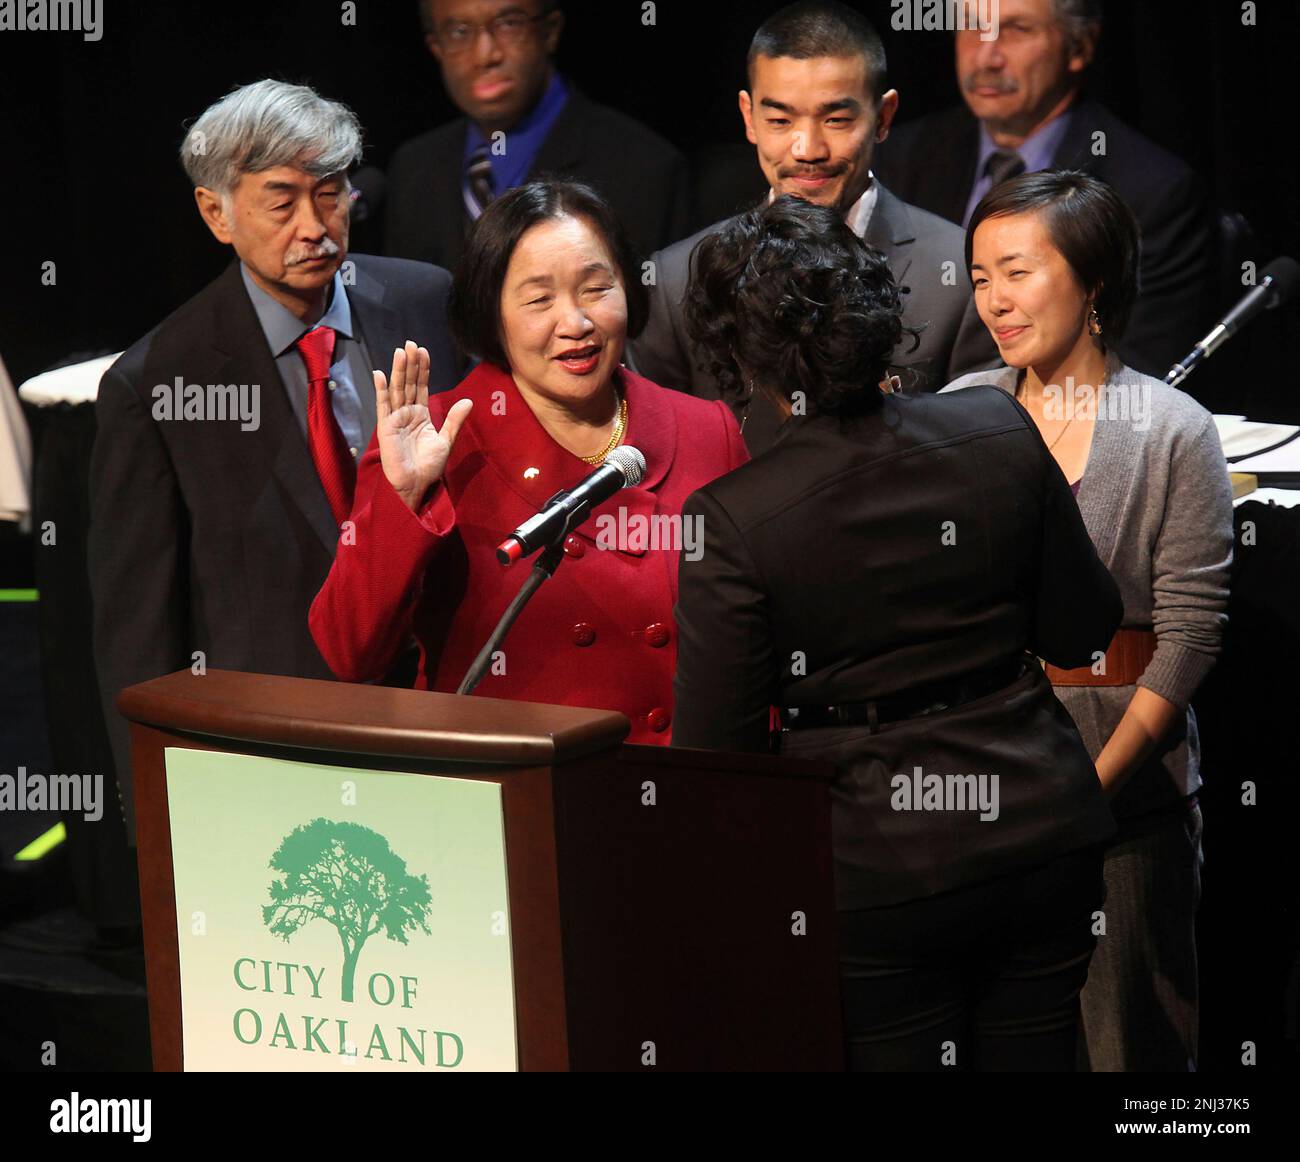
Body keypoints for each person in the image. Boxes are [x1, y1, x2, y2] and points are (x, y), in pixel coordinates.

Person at [670, 195, 1123, 1071]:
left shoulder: (729, 519)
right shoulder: (995, 426)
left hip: (875, 876)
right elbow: (1084, 630)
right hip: (1041, 835)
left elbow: (714, 759)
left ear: (738, 352)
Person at [89, 80, 461, 841]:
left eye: (331, 195)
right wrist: (159, 813)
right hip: (269, 755)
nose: (315, 227)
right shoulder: (157, 382)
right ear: (215, 213)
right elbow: (138, 630)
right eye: (281, 201)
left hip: (442, 715)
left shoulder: (426, 303)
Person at [943, 170, 1234, 1071]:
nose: (995, 300)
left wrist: (1086, 793)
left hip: (1122, 787)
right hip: (980, 782)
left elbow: (1189, 638)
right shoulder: (957, 414)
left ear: (1094, 281)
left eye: (1019, 272)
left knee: (1129, 1047)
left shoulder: (1171, 429)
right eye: (982, 276)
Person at [311, 179, 747, 741]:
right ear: (491, 314)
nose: (575, 324)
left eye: (596, 288)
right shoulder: (438, 438)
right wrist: (404, 500)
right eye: (539, 299)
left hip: (683, 790)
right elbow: (351, 654)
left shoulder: (704, 429)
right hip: (519, 798)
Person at [630, 0, 998, 455]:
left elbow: (981, 462)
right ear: (748, 118)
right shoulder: (672, 281)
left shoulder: (960, 273)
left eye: (836, 120)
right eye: (780, 120)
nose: (807, 149)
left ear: (882, 117)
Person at [873, 0, 1213, 378]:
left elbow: (1136, 371)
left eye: (1017, 29)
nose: (986, 57)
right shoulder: (899, 157)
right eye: (972, 26)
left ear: (1079, 47)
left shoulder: (1150, 189)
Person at [384, 0, 691, 272]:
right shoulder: (413, 170)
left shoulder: (645, 167)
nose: (484, 54)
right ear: (436, 47)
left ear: (550, 30)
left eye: (508, 24)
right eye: (459, 32)